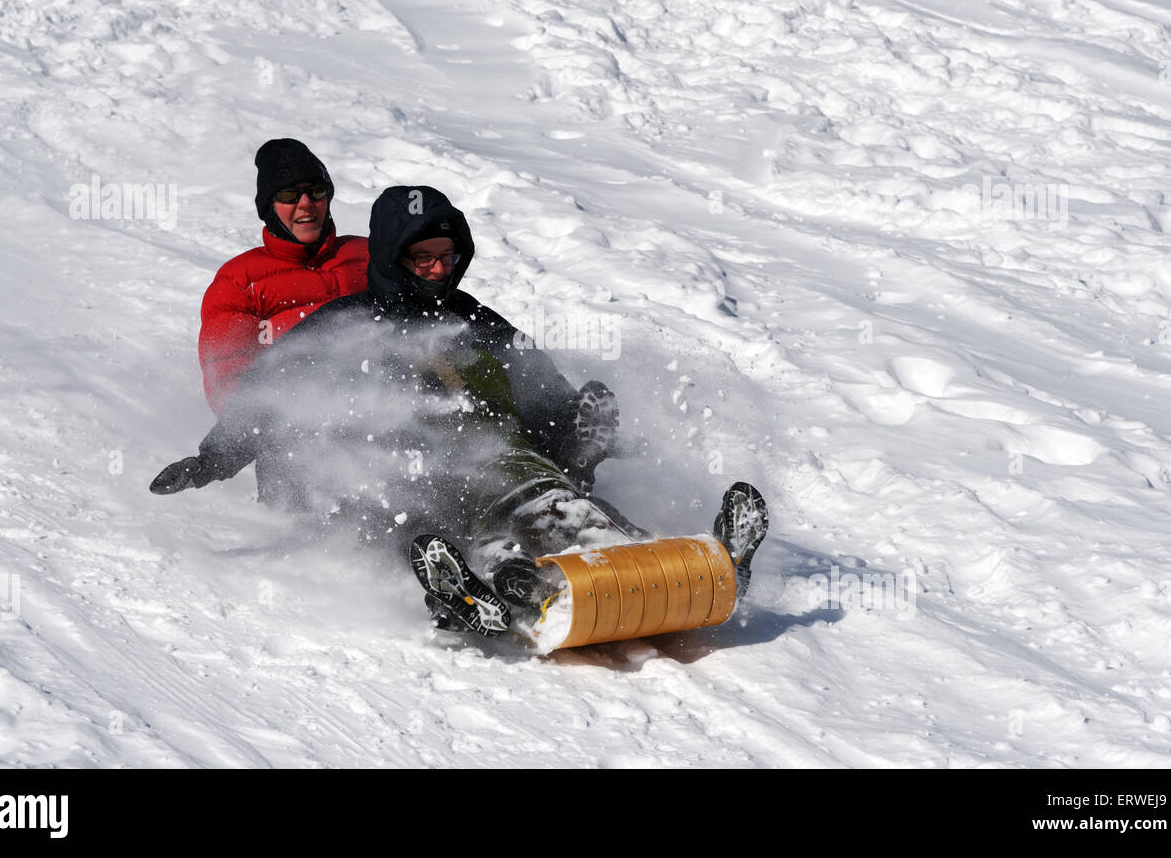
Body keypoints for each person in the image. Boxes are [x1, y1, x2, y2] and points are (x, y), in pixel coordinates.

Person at [152, 185, 768, 641]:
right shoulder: (343, 325)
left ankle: (690, 568)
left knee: (556, 499)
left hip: (497, 453)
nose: (439, 270)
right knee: (444, 505)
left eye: (448, 256)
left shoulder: (472, 315)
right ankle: (494, 589)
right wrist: (216, 457)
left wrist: (577, 426)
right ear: (394, 258)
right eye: (422, 259)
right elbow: (274, 393)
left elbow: (536, 379)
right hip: (400, 475)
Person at [197, 139, 370, 506]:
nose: (305, 204)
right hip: (292, 442)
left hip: (384, 420)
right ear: (270, 207)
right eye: (290, 195)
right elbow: (230, 381)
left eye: (316, 191)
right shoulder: (240, 281)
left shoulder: (367, 256)